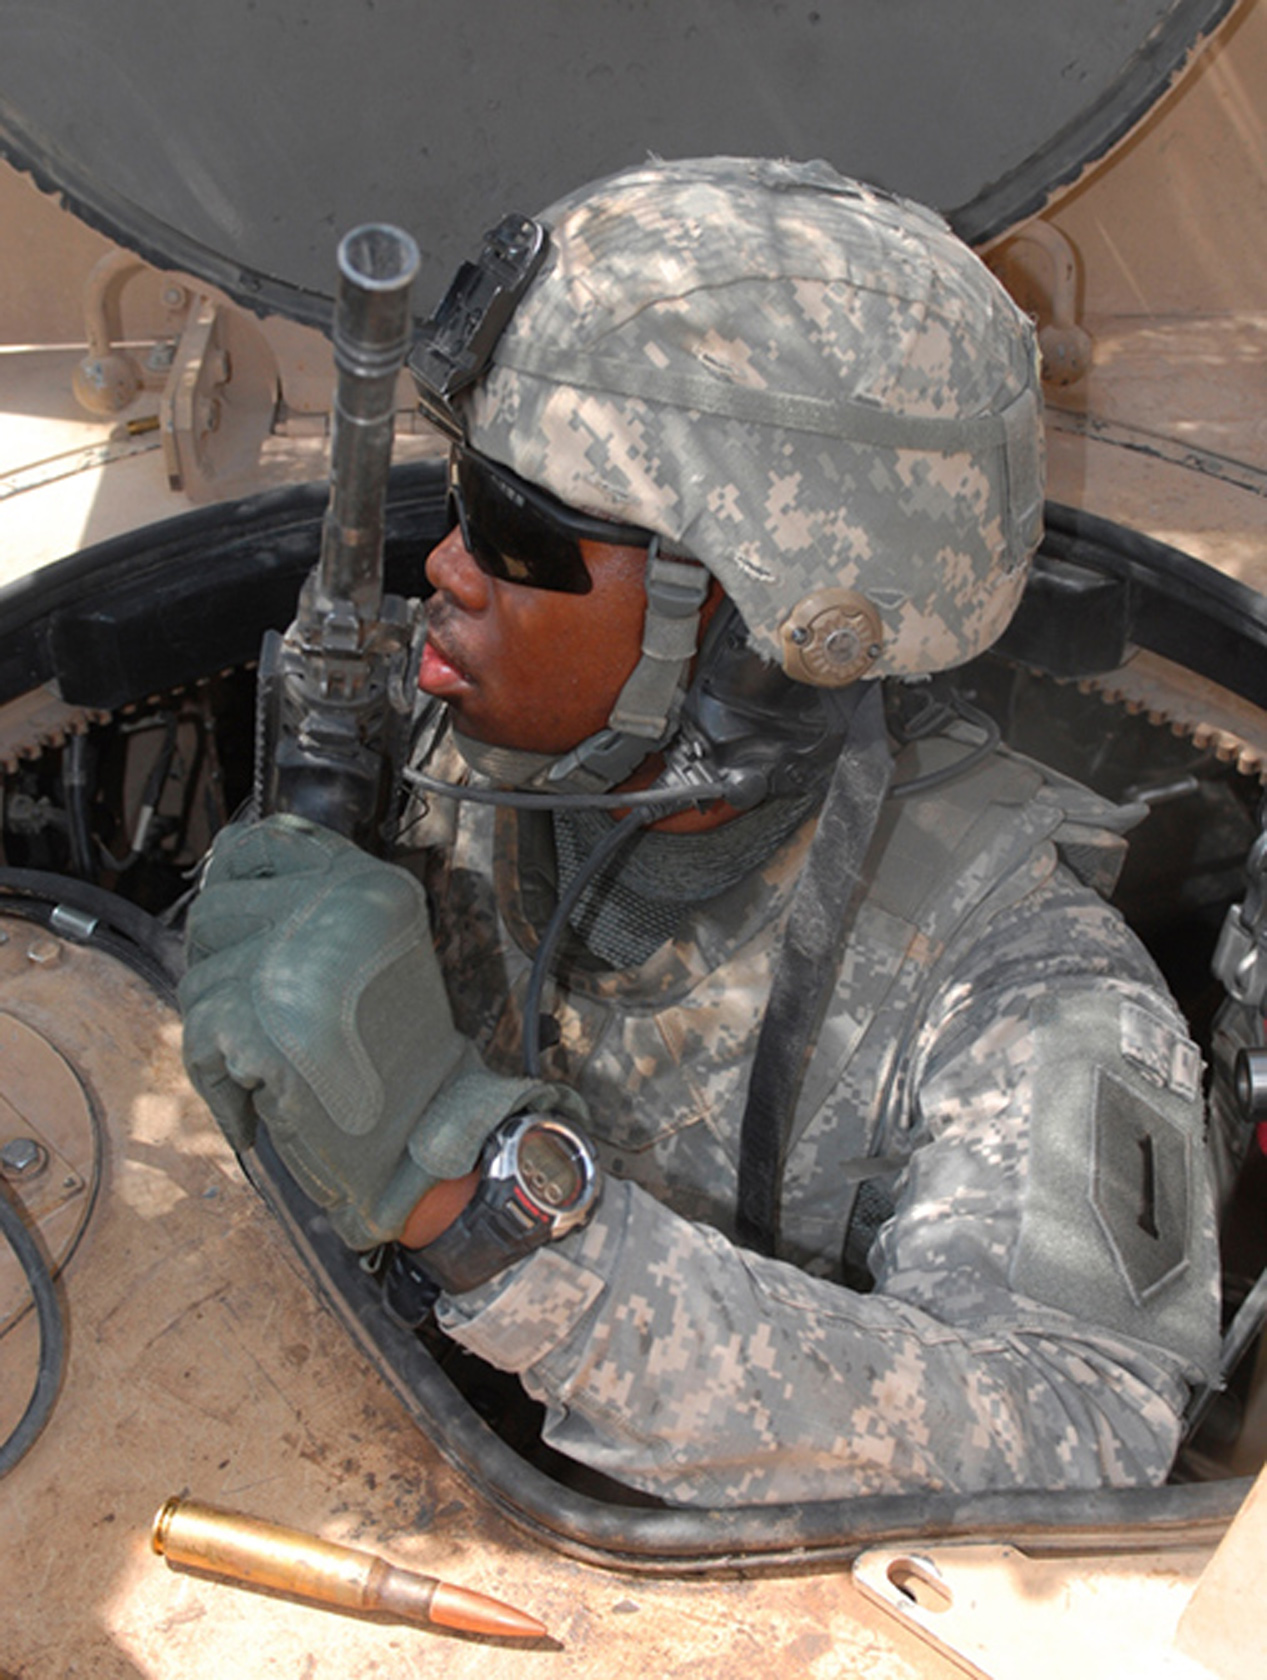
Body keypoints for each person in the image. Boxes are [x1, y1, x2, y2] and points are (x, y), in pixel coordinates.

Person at [179, 157, 1220, 1507]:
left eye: (512, 533)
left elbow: (1084, 1434)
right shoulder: (419, 745)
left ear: (749, 637)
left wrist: (472, 1198)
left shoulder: (1028, 982)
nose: (444, 568)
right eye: (460, 498)